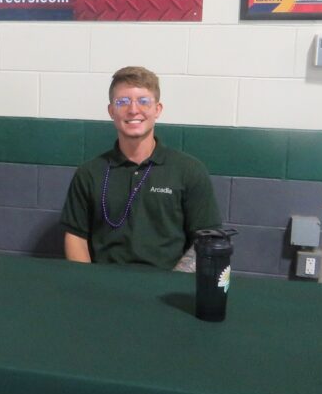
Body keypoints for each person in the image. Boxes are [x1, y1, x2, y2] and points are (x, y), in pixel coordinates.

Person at [60, 66, 221, 270]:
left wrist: (172, 284)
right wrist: (86, 282)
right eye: (123, 102)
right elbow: (76, 236)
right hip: (104, 289)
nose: (133, 109)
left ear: (158, 109)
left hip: (166, 290)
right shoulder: (89, 173)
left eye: (143, 101)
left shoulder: (189, 170)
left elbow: (207, 239)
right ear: (111, 111)